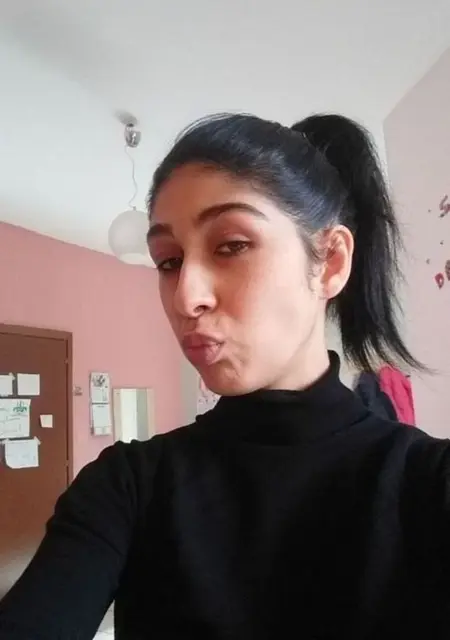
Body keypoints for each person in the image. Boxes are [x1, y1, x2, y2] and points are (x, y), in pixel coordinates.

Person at [0, 112, 448, 640]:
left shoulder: (429, 485)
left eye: (231, 245)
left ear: (329, 263)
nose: (186, 297)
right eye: (168, 261)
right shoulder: (129, 486)